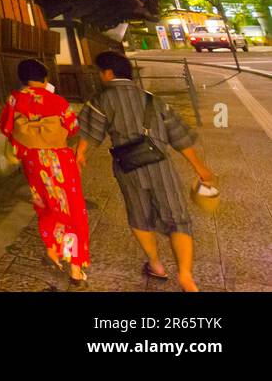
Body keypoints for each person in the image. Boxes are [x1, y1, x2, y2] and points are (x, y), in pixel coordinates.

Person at [77, 51, 217, 292]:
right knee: (178, 219)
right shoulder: (153, 100)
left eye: (100, 72)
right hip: (161, 165)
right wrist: (200, 168)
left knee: (139, 216)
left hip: (129, 168)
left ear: (108, 73)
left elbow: (89, 134)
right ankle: (185, 276)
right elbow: (179, 136)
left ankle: (156, 265)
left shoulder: (100, 100)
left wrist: (79, 154)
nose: (100, 77)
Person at [0, 58, 90, 288]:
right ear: (45, 78)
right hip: (60, 159)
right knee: (70, 208)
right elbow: (73, 127)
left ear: (22, 79)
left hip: (34, 162)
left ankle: (52, 249)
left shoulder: (15, 99)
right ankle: (76, 269)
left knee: (44, 204)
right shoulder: (57, 100)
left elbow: (6, 127)